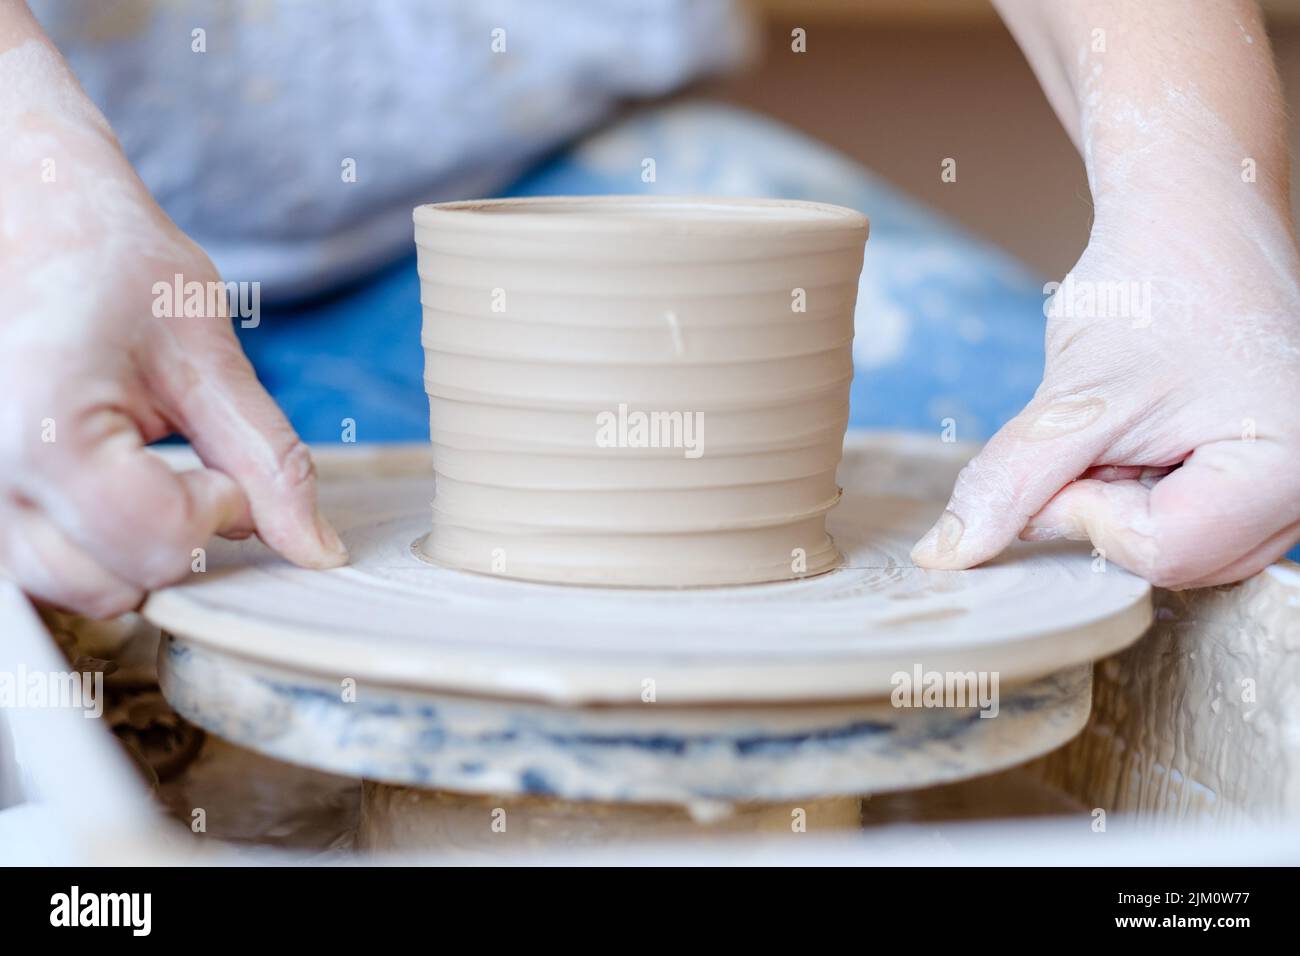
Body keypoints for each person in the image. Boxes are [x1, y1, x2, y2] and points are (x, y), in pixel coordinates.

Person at [1, 0, 1296, 618]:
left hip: (563, 173)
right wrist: (30, 170)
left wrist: (1197, 203)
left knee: (1213, 523)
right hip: (47, 216)